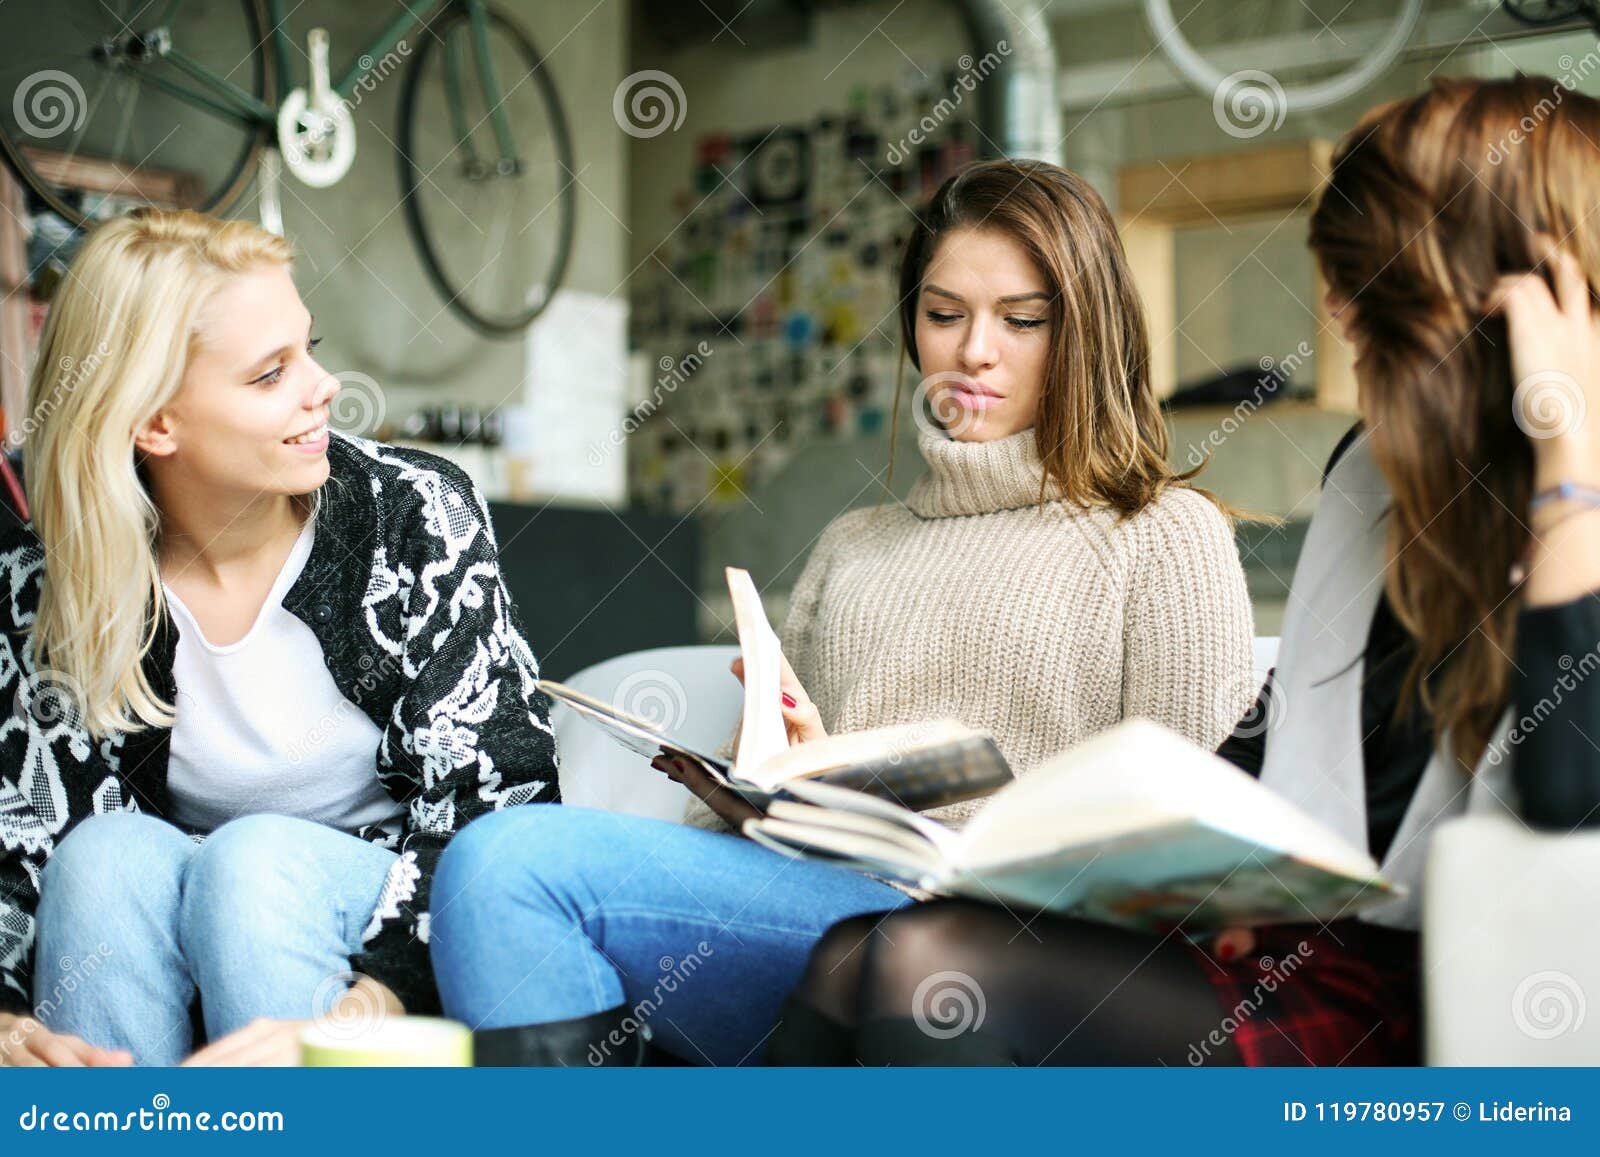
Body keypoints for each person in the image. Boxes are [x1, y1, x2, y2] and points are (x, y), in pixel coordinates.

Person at [767, 75, 1600, 1066]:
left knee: (922, 960)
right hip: (1291, 944)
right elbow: (1283, 736)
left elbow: (1567, 791)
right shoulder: (1374, 476)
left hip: (1436, 990)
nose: (1332, 310)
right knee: (853, 951)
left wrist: (1568, 457)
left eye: (1367, 282)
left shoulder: (1571, 496)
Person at [428, 158, 1258, 1066]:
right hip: (820, 915)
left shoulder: (1162, 534)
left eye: (1022, 320)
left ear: (1088, 332)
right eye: (944, 315)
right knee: (494, 861)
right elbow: (797, 818)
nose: (974, 350)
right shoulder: (852, 544)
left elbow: (1199, 844)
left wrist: (989, 871)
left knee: (511, 864)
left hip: (1021, 957)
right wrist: (759, 792)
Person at [0, 209, 559, 1067]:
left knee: (252, 863)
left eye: (309, 346)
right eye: (270, 375)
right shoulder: (56, 581)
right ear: (156, 424)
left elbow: (503, 800)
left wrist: (364, 1013)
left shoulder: (413, 514)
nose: (324, 386)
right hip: (183, 912)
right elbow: (18, 839)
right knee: (102, 859)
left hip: (390, 924)